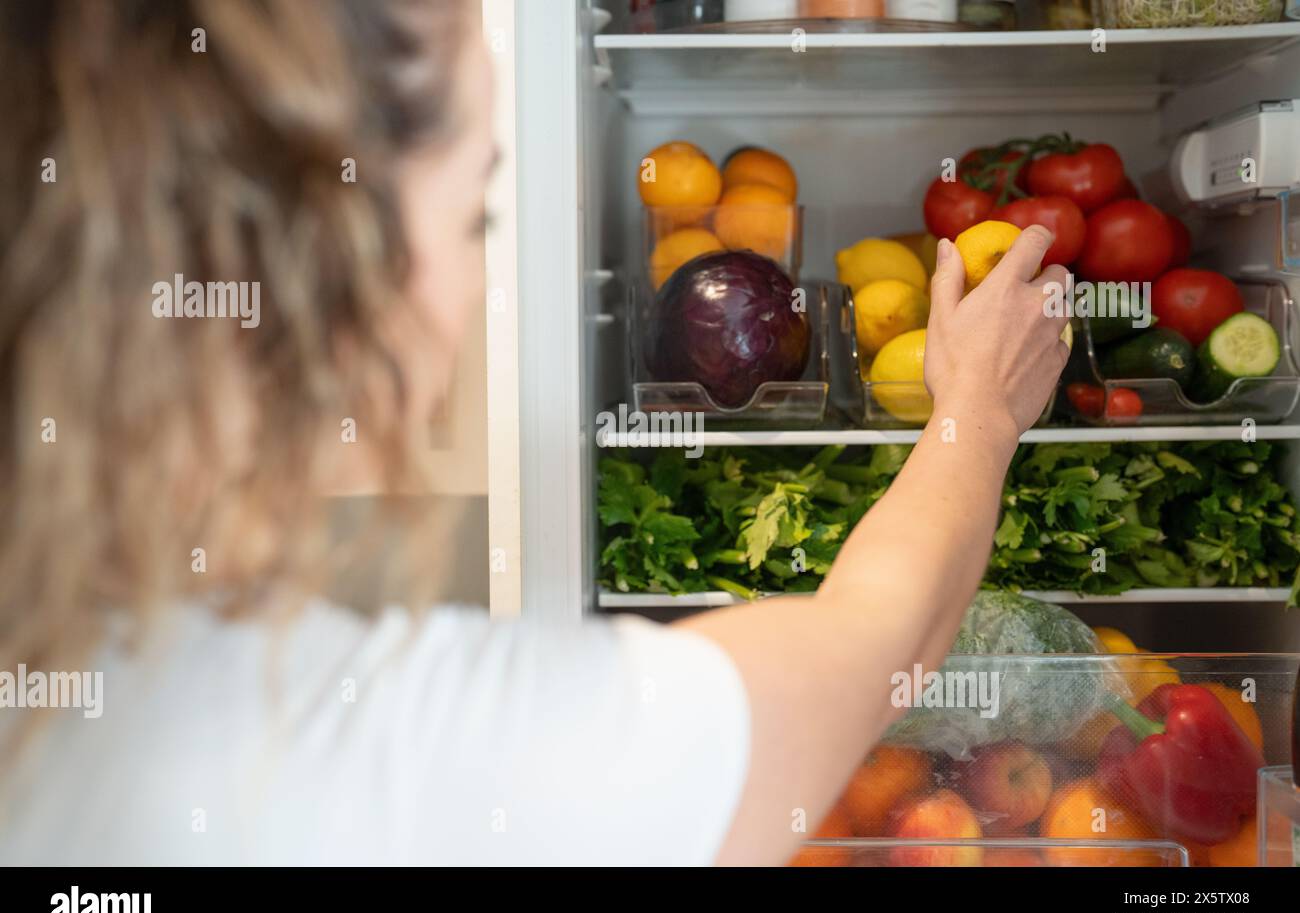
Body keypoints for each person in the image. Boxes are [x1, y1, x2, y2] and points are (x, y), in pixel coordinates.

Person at [0, 0, 1069, 865]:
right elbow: (878, 643)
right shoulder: (409, 751)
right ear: (339, 258)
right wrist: (974, 413)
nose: (474, 285)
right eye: (474, 217)